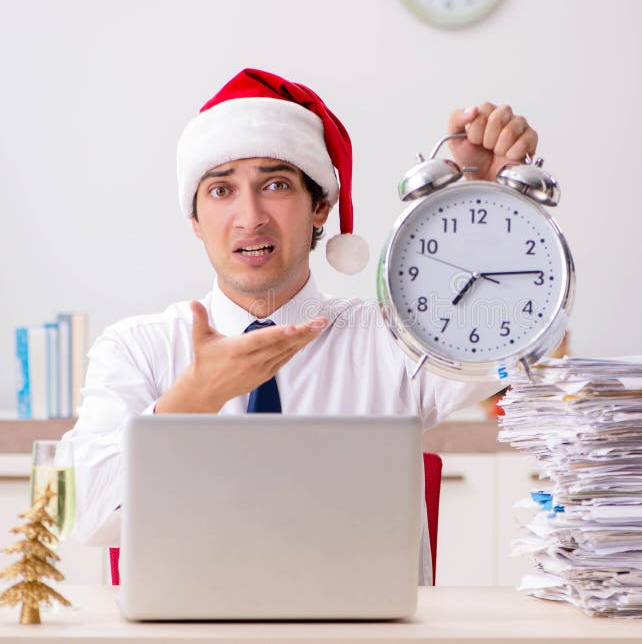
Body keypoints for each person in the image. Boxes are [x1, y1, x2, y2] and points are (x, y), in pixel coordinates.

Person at [62, 68, 540, 585]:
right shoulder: (139, 348)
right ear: (195, 221)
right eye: (221, 191)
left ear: (320, 207)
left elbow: (515, 339)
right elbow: (81, 513)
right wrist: (192, 399)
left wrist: (491, 202)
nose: (250, 217)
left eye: (275, 185)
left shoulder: (391, 340)